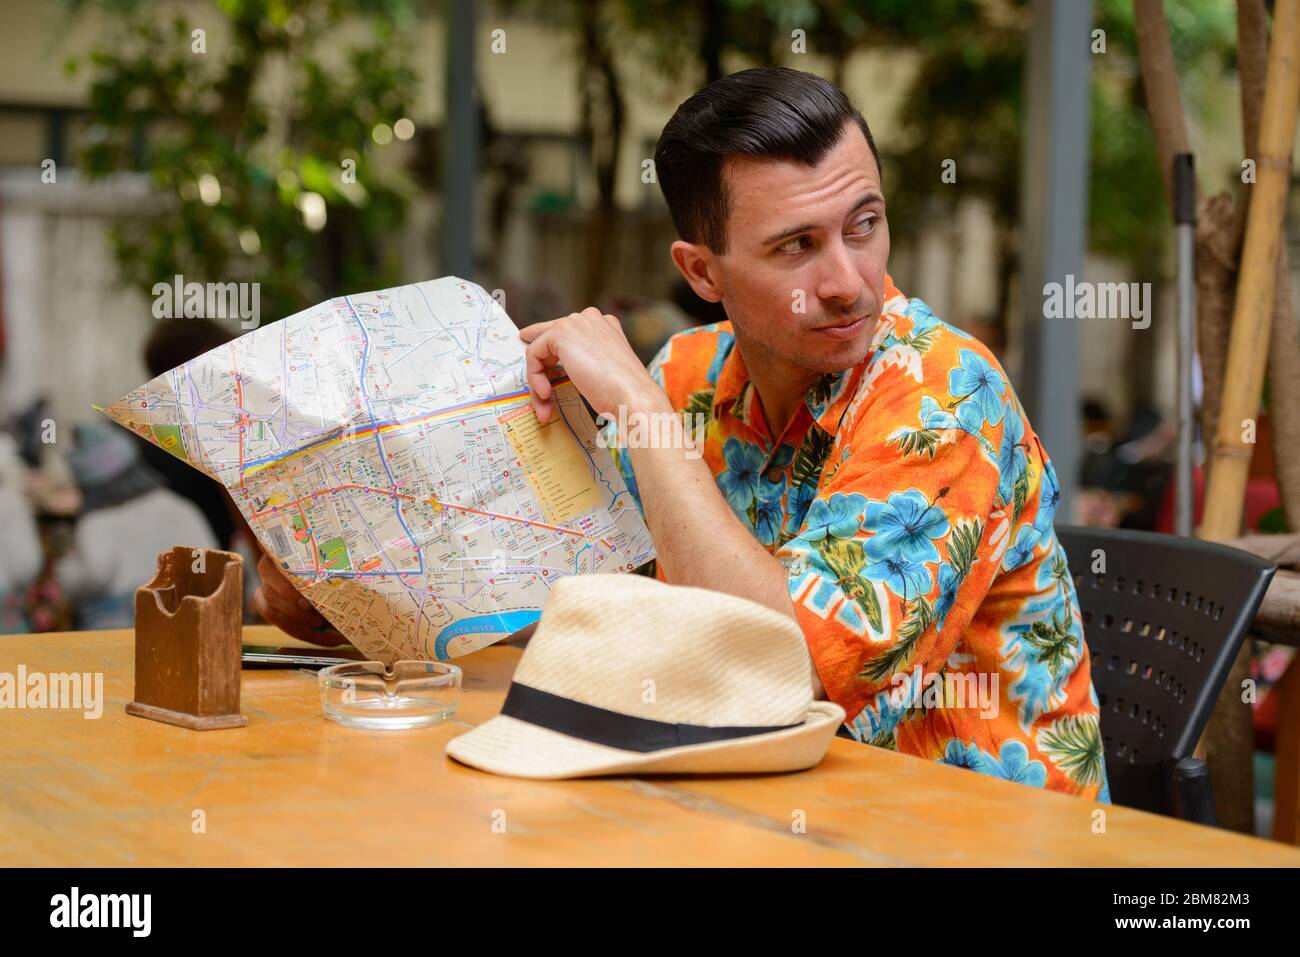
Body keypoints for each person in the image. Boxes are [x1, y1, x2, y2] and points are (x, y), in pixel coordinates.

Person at [257, 67, 1108, 800]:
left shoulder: (940, 390)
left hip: (971, 835)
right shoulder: (689, 374)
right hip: (759, 807)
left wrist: (634, 403)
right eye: (796, 246)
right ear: (702, 271)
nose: (850, 281)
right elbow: (569, 599)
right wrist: (344, 584)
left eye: (864, 223)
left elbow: (783, 667)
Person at [57, 423, 217, 630]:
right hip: (186, 617)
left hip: (120, 624)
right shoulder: (177, 506)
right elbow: (210, 557)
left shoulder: (97, 521)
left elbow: (95, 574)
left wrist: (66, 572)